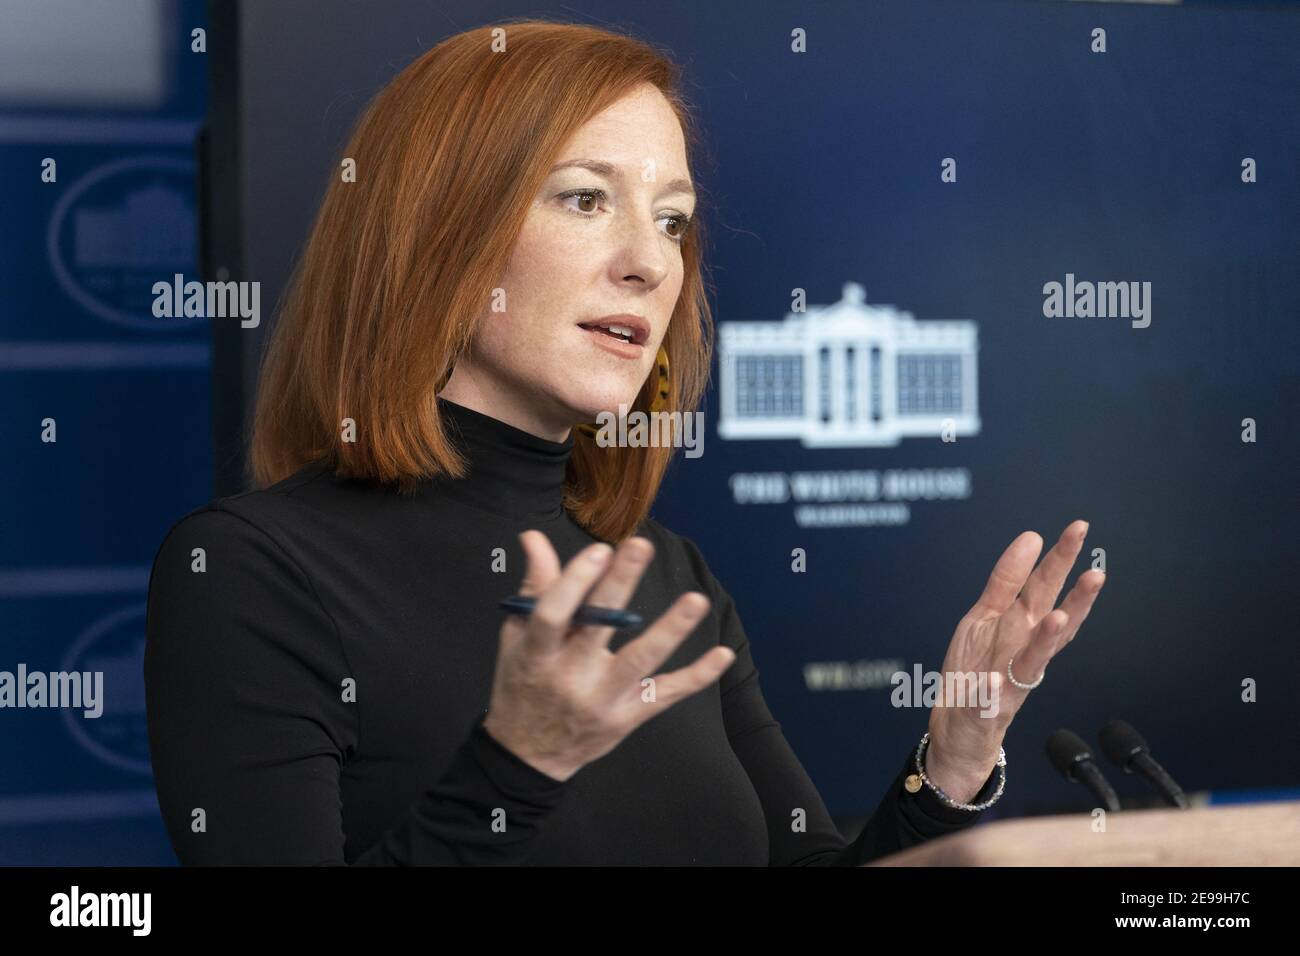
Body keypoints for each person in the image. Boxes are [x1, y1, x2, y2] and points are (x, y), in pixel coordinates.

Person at [144, 19, 1105, 866]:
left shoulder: (670, 577)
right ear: (436, 229)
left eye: (674, 220)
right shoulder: (247, 572)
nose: (650, 262)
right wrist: (518, 764)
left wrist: (953, 761)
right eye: (584, 198)